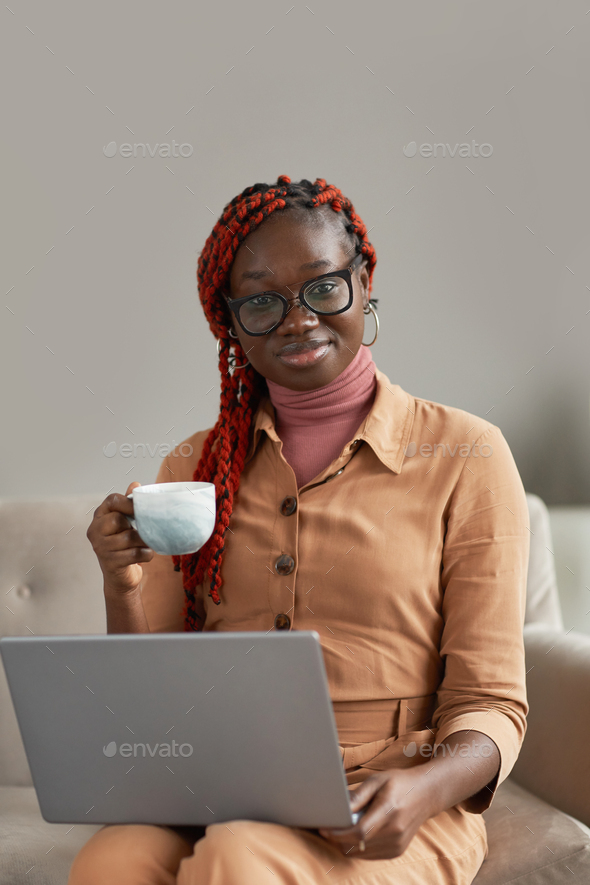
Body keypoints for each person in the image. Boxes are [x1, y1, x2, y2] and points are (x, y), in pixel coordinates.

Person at [71, 175, 530, 885]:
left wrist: (420, 789)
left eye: (322, 287)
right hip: (219, 785)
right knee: (111, 860)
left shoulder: (467, 455)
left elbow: (491, 700)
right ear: (231, 321)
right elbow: (150, 698)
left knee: (238, 859)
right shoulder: (194, 468)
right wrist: (122, 582)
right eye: (261, 301)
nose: (297, 319)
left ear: (363, 281)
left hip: (385, 795)